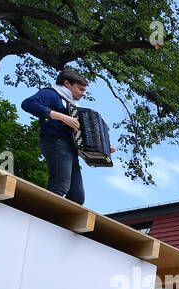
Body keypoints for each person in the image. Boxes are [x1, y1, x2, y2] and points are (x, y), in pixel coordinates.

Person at [20, 68, 112, 205]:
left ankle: (61, 223)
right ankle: (40, 218)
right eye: (80, 89)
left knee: (77, 197)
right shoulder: (51, 94)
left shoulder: (72, 105)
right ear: (67, 83)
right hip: (55, 143)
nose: (83, 94)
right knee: (59, 187)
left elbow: (83, 133)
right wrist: (62, 117)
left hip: (71, 149)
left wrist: (105, 146)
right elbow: (27, 104)